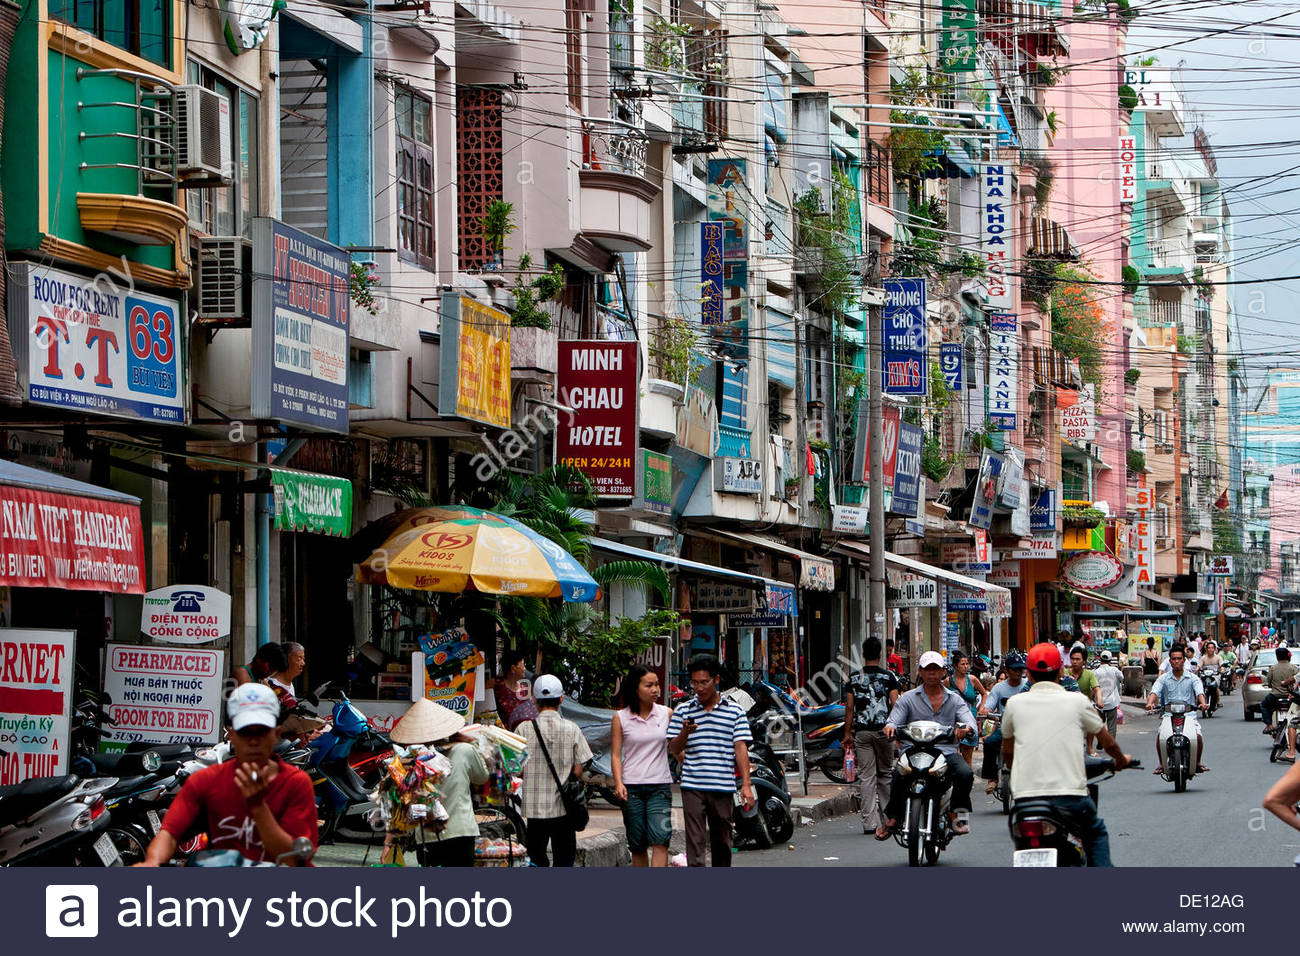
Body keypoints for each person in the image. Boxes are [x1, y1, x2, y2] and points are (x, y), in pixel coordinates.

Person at [139, 682, 317, 865]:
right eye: (245, 732)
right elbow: (170, 833)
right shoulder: (206, 780)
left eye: (262, 732)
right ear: (231, 735)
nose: (254, 741)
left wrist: (258, 809)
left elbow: (297, 857)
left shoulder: (295, 783)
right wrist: (151, 861)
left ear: (276, 734)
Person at [1001, 643, 1133, 867]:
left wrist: (1017, 774)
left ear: (1029, 674)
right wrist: (1121, 760)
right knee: (1095, 832)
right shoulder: (1077, 701)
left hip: (1026, 801)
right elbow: (1107, 741)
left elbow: (1008, 751)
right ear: (1061, 671)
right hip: (1070, 799)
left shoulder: (1014, 704)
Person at [668, 655, 754, 866]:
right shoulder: (683, 711)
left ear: (716, 680)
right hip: (692, 787)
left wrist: (746, 785)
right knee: (695, 843)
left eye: (704, 682)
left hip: (722, 787)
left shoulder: (734, 712)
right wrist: (685, 734)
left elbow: (740, 748)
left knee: (722, 842)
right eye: (695, 682)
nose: (699, 688)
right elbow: (673, 748)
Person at [882, 651, 976, 836]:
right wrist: (890, 727)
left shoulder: (955, 699)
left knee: (965, 774)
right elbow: (893, 719)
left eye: (936, 669)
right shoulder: (908, 698)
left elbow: (969, 722)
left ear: (943, 671)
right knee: (898, 775)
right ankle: (893, 818)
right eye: (927, 669)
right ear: (921, 672)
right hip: (913, 751)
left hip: (945, 752)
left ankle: (956, 814)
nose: (932, 673)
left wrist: (966, 729)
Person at [388, 697, 488, 867]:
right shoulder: (464, 750)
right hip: (460, 831)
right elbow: (482, 777)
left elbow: (400, 802)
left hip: (427, 835)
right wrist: (475, 745)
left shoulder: (410, 760)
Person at [519, 674, 592, 867]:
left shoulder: (523, 729)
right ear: (561, 699)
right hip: (563, 808)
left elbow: (515, 767)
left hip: (534, 809)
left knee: (536, 858)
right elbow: (578, 770)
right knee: (564, 859)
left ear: (534, 699)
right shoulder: (572, 729)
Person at [611, 664, 673, 867]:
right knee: (637, 845)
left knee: (661, 840)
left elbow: (676, 748)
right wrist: (618, 782)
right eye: (649, 685)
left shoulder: (667, 714)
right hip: (631, 788)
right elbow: (616, 754)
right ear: (635, 688)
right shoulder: (620, 717)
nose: (655, 689)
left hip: (660, 787)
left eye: (657, 685)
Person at [841, 637, 901, 840]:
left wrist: (847, 734)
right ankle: (888, 819)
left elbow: (849, 709)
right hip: (886, 732)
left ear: (864, 655)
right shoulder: (889, 677)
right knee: (885, 774)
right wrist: (897, 731)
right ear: (880, 654)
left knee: (867, 776)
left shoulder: (853, 679)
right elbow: (896, 705)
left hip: (862, 733)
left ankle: (869, 821)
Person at [1146, 644, 1209, 773]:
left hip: (1189, 715)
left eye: (1179, 658)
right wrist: (1150, 702)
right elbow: (1155, 691)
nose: (1176, 661)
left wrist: (1203, 704)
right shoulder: (1164, 678)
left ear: (1184, 660)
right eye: (1173, 659)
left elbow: (1199, 692)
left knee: (1198, 737)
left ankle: (1197, 763)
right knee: (1160, 737)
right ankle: (1162, 764)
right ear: (1170, 661)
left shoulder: (1192, 678)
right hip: (1169, 715)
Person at [978, 650, 1029, 791]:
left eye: (1021, 669)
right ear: (1007, 670)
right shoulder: (999, 688)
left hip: (1026, 728)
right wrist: (985, 711)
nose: (1019, 672)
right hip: (1004, 727)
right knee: (989, 742)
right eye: (1015, 669)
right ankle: (992, 778)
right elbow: (988, 706)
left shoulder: (1028, 685)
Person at [944, 650, 986, 767]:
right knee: (953, 754)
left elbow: (985, 694)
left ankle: (968, 781)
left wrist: (981, 707)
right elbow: (940, 696)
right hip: (953, 720)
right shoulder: (948, 682)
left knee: (968, 756)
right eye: (962, 664)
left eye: (967, 664)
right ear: (955, 666)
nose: (965, 666)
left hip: (970, 719)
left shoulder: (972, 679)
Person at [494, 649, 539, 731]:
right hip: (510, 736)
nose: (524, 669)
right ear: (513, 668)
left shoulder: (526, 687)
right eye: (522, 665)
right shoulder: (497, 685)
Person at [1262, 645, 1298, 734]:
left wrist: (1272, 686)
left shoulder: (1273, 668)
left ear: (1277, 657)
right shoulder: (1294, 668)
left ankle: (1269, 725)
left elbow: (1269, 681)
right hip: (1291, 697)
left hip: (1275, 696)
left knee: (1264, 705)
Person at [1094, 650, 1124, 741]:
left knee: (1099, 723)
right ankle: (1110, 743)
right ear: (1110, 660)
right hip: (1112, 702)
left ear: (1100, 659)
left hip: (1099, 703)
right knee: (1112, 725)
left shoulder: (1095, 672)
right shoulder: (1114, 670)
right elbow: (1122, 677)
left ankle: (1101, 740)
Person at [268, 641, 305, 709]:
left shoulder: (290, 685)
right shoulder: (270, 686)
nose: (303, 663)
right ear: (285, 658)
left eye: (303, 659)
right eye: (299, 659)